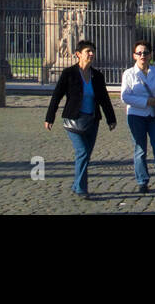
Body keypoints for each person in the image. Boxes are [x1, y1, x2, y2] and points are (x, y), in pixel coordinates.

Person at [45, 39, 116, 199]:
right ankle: (82, 189)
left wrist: (110, 118)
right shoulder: (68, 73)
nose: (91, 54)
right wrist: (50, 117)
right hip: (73, 119)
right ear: (78, 54)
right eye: (87, 51)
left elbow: (104, 98)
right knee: (82, 152)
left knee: (86, 154)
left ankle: (77, 184)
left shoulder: (97, 75)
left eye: (92, 51)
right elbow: (57, 96)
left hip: (92, 120)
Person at [120, 40, 155, 194]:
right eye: (139, 53)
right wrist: (145, 102)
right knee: (140, 150)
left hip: (154, 116)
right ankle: (142, 181)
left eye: (145, 52)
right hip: (136, 115)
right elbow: (125, 97)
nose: (142, 55)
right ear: (134, 56)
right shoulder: (128, 74)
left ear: (150, 55)